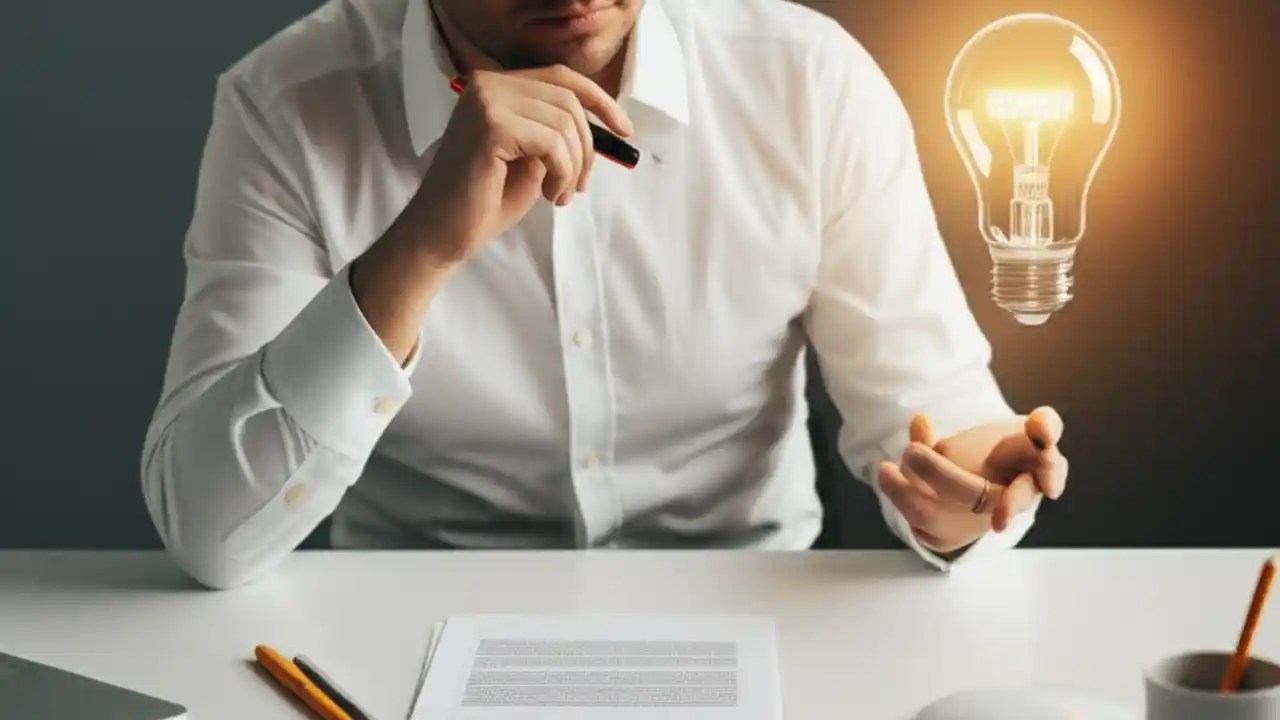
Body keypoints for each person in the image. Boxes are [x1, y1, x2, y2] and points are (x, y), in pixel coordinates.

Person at [142, 0, 1069, 590]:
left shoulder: (809, 82)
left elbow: (937, 425)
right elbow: (211, 532)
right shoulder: (287, 105)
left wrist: (969, 494)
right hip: (402, 640)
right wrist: (419, 249)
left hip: (754, 626)